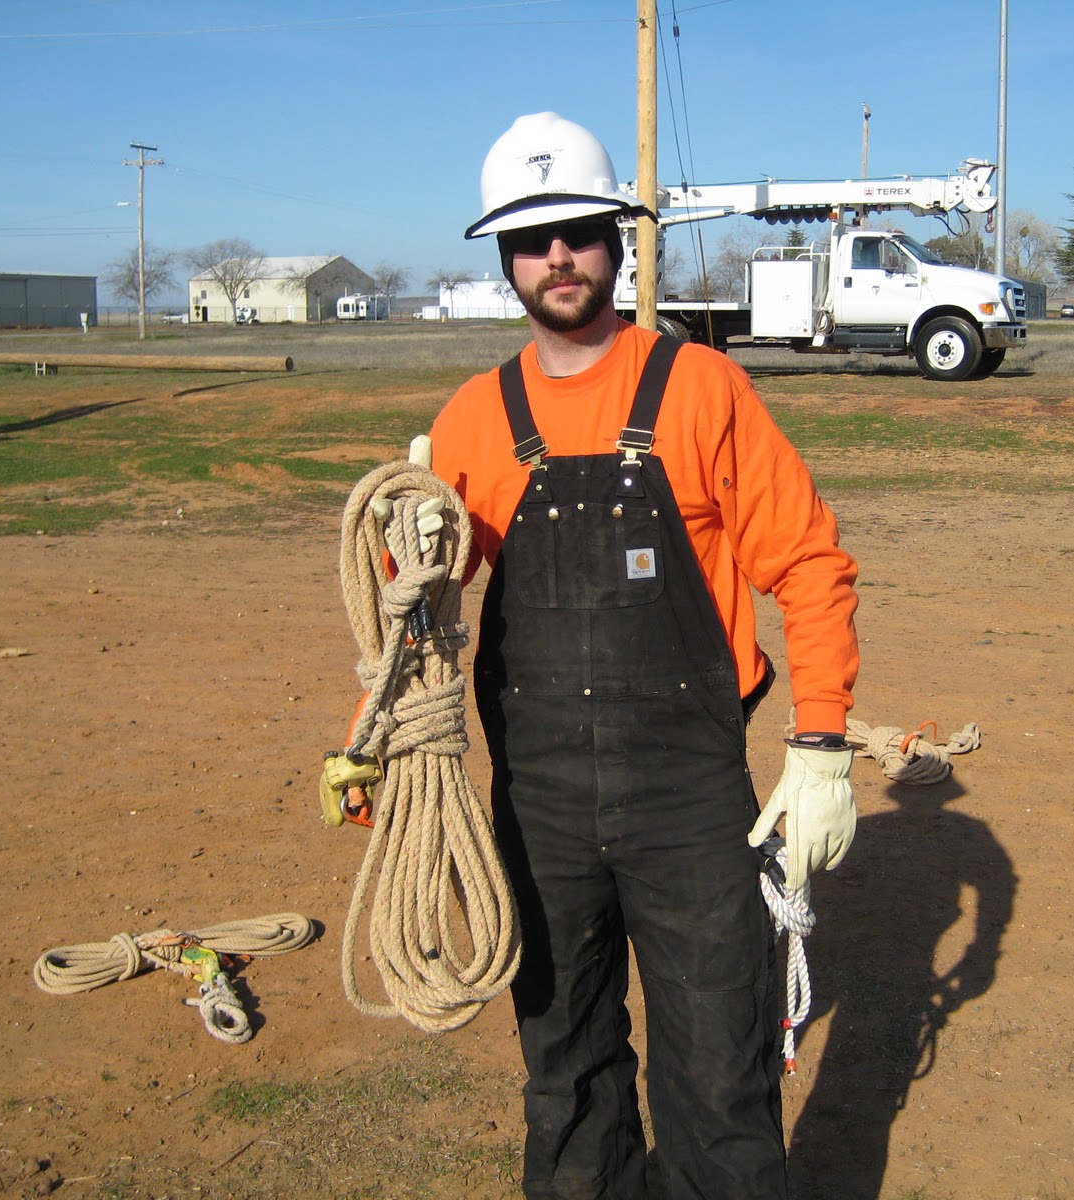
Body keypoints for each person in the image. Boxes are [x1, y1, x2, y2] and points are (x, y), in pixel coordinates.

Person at [419, 111, 859, 1200]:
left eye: (575, 230)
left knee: (717, 1072)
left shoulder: (702, 390)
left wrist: (821, 745)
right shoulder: (471, 421)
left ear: (617, 239)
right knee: (564, 1071)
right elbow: (415, 616)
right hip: (541, 801)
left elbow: (808, 562)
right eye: (530, 240)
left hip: (689, 796)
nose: (555, 257)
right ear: (504, 259)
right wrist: (381, 752)